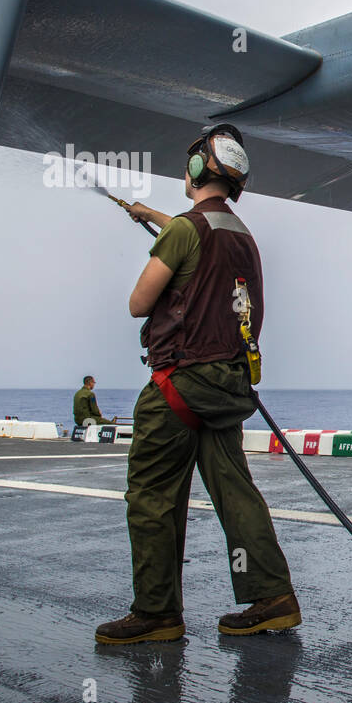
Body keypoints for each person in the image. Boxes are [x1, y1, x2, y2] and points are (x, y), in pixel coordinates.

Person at [95, 124, 300, 644]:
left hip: (178, 384)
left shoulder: (185, 231)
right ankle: (273, 597)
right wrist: (152, 218)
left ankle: (157, 613)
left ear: (195, 170)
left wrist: (162, 237)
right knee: (235, 491)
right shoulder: (242, 236)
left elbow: (139, 303)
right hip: (229, 385)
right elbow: (197, 238)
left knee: (152, 496)